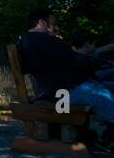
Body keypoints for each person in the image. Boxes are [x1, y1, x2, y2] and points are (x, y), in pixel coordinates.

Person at [17, 9, 114, 147]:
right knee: (103, 96)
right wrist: (101, 64)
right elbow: (76, 61)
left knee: (104, 88)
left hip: (66, 87)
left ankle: (108, 135)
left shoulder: (29, 42)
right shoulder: (44, 41)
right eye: (54, 23)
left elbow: (70, 61)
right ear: (41, 23)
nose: (57, 28)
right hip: (66, 91)